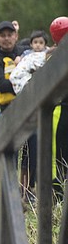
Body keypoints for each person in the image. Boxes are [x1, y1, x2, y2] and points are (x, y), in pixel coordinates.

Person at [0, 20, 35, 194]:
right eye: (3, 35)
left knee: (32, 151)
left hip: (29, 109)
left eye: (10, 35)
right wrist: (25, 81)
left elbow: (37, 47)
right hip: (7, 110)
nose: (7, 39)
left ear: (15, 36)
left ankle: (27, 190)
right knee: (10, 153)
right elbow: (0, 84)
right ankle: (9, 192)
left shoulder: (24, 52)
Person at [50, 16, 68, 198]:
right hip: (60, 110)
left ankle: (59, 194)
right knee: (60, 157)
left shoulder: (53, 57)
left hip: (59, 110)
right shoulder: (55, 56)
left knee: (59, 158)